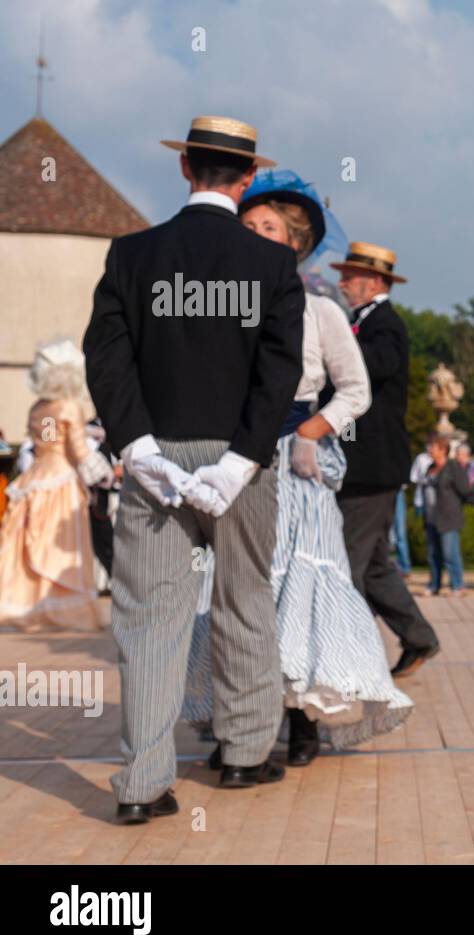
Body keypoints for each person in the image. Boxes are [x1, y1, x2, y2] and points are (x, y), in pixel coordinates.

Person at [83, 116, 305, 823]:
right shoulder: (273, 266)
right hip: (241, 460)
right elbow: (280, 374)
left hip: (155, 459)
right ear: (245, 182)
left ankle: (143, 784)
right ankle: (245, 753)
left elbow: (106, 361)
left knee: (149, 619)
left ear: (185, 170)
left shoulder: (130, 255)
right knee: (244, 602)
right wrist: (241, 461)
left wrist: (139, 451)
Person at [185, 175, 411, 768]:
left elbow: (356, 389)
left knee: (295, 589)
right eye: (247, 227)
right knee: (236, 587)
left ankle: (300, 721)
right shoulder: (221, 305)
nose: (254, 236)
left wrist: (312, 432)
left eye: (267, 228)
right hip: (235, 458)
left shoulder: (320, 311)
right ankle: (242, 723)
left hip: (295, 459)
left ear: (293, 242)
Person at [330, 241, 441, 678]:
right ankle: (419, 638)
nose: (341, 283)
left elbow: (373, 367)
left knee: (346, 564)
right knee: (374, 565)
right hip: (362, 466)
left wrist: (332, 346)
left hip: (369, 468)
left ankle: (350, 658)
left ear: (374, 282)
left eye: (348, 276)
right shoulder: (362, 322)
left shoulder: (385, 325)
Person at [0, 341, 112, 632]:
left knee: (36, 545)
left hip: (34, 480)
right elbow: (77, 449)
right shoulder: (69, 407)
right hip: (61, 483)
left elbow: (46, 442)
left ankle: (34, 608)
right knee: (58, 547)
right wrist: (103, 473)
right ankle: (57, 611)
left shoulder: (39, 408)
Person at [418, 435, 474, 596]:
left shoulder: (453, 467)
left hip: (448, 517)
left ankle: (457, 585)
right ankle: (434, 585)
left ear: (443, 449)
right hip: (430, 518)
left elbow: (465, 490)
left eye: (433, 447)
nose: (430, 450)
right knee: (433, 554)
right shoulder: (430, 468)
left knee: (450, 553)